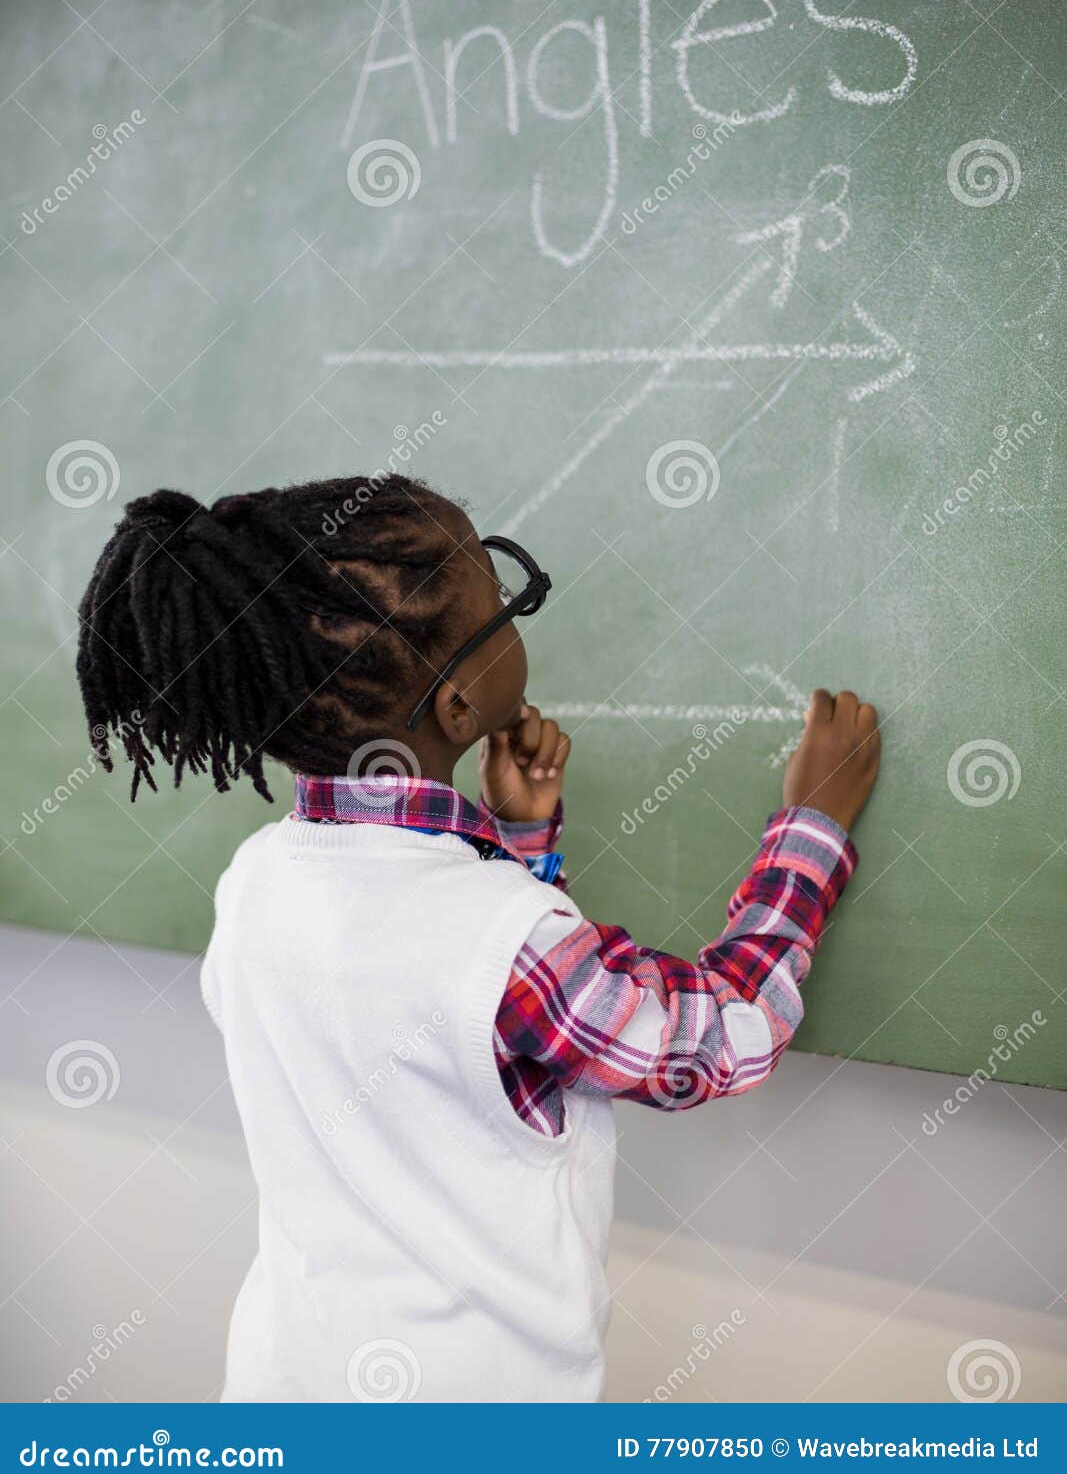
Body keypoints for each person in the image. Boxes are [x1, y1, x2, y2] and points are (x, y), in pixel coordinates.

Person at [77, 475, 881, 1402]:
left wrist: (521, 846)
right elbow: (721, 1037)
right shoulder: (501, 942)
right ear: (458, 711)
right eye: (498, 602)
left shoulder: (258, 879)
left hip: (284, 1385)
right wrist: (811, 831)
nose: (509, 611)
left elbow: (457, 1012)